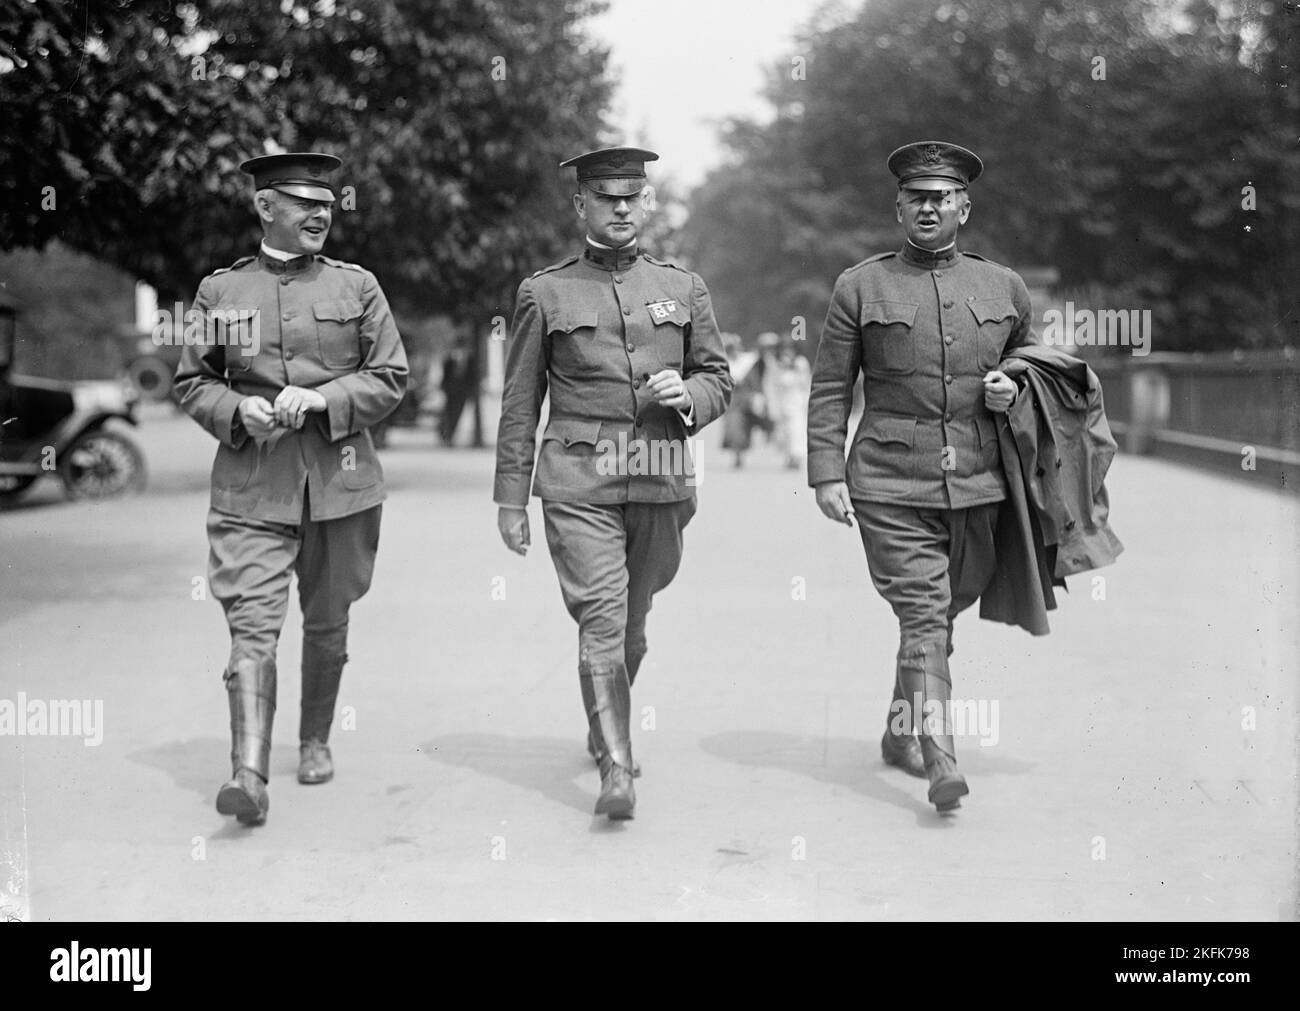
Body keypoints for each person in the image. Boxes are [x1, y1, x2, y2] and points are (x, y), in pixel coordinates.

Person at [494, 146, 732, 820]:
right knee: (602, 617)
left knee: (632, 625)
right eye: (607, 198)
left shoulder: (684, 288)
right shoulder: (544, 292)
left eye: (633, 197)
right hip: (576, 480)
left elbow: (720, 377)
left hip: (660, 479)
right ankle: (617, 765)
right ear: (581, 205)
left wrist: (686, 393)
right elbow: (520, 402)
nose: (621, 208)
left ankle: (606, 724)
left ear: (646, 203)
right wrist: (511, 496)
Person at [174, 151, 409, 826]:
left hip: (342, 488)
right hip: (251, 487)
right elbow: (193, 380)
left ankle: (313, 739)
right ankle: (248, 772)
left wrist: (324, 398)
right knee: (252, 626)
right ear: (264, 207)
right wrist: (234, 411)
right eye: (304, 203)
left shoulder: (357, 286)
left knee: (328, 623)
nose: (320, 214)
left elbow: (390, 375)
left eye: (327, 204)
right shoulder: (221, 293)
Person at [806, 141, 1035, 813]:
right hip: (887, 483)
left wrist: (1009, 385)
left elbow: (1035, 369)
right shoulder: (860, 285)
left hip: (977, 485)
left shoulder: (1004, 287)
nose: (929, 206)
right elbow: (829, 389)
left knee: (938, 616)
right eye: (917, 196)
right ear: (898, 205)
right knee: (925, 613)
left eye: (942, 196)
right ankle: (941, 759)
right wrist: (826, 472)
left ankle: (897, 730)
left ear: (964, 206)